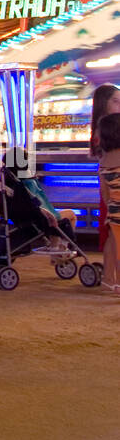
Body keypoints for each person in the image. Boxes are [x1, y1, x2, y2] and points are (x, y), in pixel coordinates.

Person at [89, 84, 120, 256]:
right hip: (112, 188)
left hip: (110, 188)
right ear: (104, 103)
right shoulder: (105, 131)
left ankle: (110, 271)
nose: (119, 105)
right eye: (115, 101)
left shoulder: (104, 128)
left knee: (111, 233)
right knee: (111, 233)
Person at [96, 112, 120, 292]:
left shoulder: (103, 161)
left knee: (115, 244)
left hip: (114, 209)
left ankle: (110, 280)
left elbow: (104, 192)